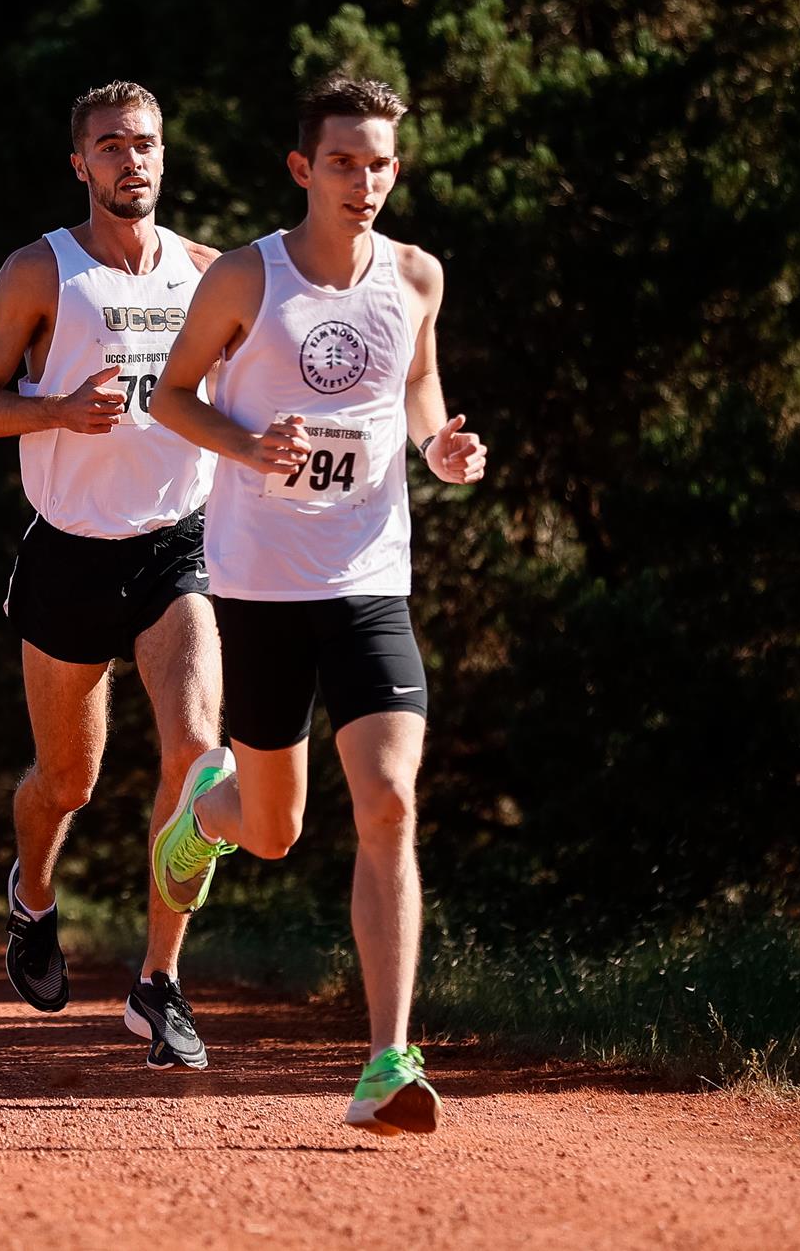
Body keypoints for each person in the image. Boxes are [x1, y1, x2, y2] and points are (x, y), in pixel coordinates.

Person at [148, 76, 488, 1132]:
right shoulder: (248, 277)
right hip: (258, 586)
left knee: (389, 799)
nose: (364, 182)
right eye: (343, 162)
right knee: (274, 827)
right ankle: (202, 814)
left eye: (379, 163)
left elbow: (416, 387)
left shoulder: (415, 275)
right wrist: (245, 446)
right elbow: (169, 395)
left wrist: (439, 445)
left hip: (367, 580)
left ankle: (386, 1059)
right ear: (302, 169)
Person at [0, 80, 222, 1069]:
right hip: (67, 548)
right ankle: (30, 892)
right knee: (67, 779)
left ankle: (158, 985)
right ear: (79, 164)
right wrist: (57, 409)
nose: (130, 160)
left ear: (164, 154)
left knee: (196, 752)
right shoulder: (39, 273)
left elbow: (243, 394)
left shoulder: (206, 274)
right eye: (109, 145)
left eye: (144, 143)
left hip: (175, 547)